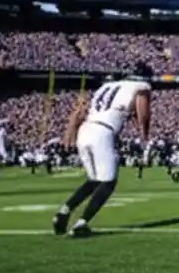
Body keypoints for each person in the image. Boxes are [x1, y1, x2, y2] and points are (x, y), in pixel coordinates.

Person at [52, 62, 152, 238]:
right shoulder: (141, 86)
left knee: (94, 181)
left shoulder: (107, 86)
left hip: (87, 129)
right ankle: (82, 223)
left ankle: (64, 211)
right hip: (104, 132)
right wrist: (144, 133)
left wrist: (70, 134)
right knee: (108, 182)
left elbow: (83, 112)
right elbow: (142, 111)